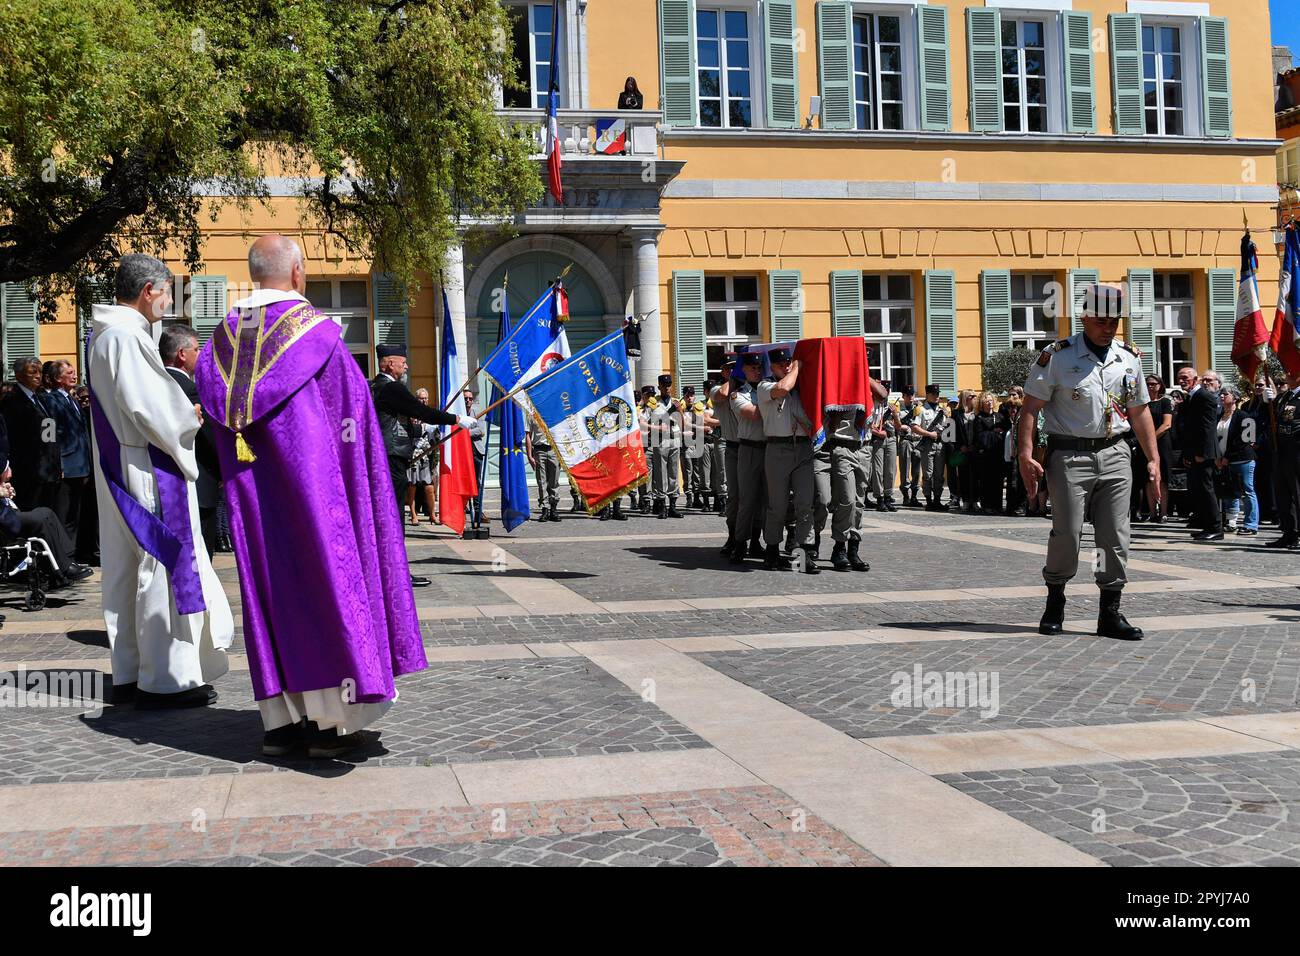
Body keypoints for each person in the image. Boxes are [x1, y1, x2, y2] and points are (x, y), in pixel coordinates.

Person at [195, 234, 431, 758]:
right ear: (298, 274)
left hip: (253, 500)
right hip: (319, 500)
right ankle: (330, 724)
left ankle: (281, 724)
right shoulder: (319, 338)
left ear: (253, 274)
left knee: (271, 591)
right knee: (325, 584)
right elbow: (354, 428)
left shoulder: (217, 348)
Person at [89, 254, 233, 709]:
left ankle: (131, 672)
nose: (169, 303)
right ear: (149, 289)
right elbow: (151, 410)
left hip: (120, 463)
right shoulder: (127, 336)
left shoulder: (104, 334)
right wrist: (188, 418)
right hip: (146, 465)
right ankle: (165, 679)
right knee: (162, 563)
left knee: (127, 572)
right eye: (168, 292)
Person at [1018, 283, 1158, 641]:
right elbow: (1031, 409)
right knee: (1067, 532)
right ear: (1084, 317)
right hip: (1069, 455)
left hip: (1115, 452)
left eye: (1114, 320)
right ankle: (1056, 598)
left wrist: (1154, 459)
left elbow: (1139, 412)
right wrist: (1025, 454)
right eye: (1101, 319)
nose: (1108, 326)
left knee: (1113, 536)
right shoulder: (1058, 357)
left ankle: (1109, 611)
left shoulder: (1128, 358)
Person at [371, 343, 474, 576]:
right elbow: (421, 410)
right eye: (402, 362)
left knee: (391, 512)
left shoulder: (378, 387)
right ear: (388, 363)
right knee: (395, 514)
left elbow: (401, 420)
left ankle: (390, 570)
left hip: (388, 455)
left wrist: (420, 430)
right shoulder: (391, 388)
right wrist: (457, 418)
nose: (406, 366)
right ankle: (397, 573)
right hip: (392, 457)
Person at [159, 325, 223, 557]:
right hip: (198, 482)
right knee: (200, 555)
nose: (201, 354)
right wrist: (222, 470)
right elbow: (208, 439)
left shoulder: (156, 386)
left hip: (164, 483)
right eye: (197, 349)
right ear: (182, 354)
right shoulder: (190, 390)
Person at [756, 349, 817, 573]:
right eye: (780, 364)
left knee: (804, 504)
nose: (786, 366)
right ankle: (772, 550)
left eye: (788, 362)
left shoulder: (801, 389)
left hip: (802, 448)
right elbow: (783, 388)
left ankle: (803, 555)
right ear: (771, 367)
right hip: (777, 448)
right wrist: (798, 367)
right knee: (777, 505)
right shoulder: (765, 386)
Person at [0, 463, 93, 587]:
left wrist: (6, 493)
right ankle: (64, 568)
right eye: (7, 469)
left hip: (9, 515)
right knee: (42, 517)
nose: (10, 473)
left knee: (47, 512)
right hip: (5, 521)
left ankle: (67, 561)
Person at [38, 359, 92, 539]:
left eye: (74, 372)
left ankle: (71, 554)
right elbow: (48, 436)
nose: (74, 375)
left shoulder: (73, 400)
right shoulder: (49, 400)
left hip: (79, 466)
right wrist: (55, 463)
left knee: (74, 515)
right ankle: (63, 556)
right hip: (64, 467)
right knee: (62, 513)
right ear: (57, 378)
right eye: (69, 373)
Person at [2, 357, 62, 512]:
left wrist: (55, 464)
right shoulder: (11, 401)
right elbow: (13, 440)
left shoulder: (41, 399)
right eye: (33, 372)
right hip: (28, 475)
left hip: (48, 472)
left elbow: (49, 435)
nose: (38, 375)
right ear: (19, 375)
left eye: (40, 372)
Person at [728, 354, 769, 563]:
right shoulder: (737, 395)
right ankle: (740, 542)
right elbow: (752, 413)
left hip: (768, 448)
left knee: (765, 499)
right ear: (743, 370)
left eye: (759, 367)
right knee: (747, 499)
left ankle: (756, 541)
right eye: (752, 368)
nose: (757, 371)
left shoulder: (767, 389)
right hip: (749, 448)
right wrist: (772, 397)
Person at [1175, 367, 1224, 540]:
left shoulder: (1204, 396)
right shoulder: (1191, 397)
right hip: (1195, 451)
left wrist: (1201, 452)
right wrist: (1188, 453)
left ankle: (1216, 527)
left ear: (1195, 379)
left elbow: (1206, 427)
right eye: (1180, 378)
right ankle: (1206, 525)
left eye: (1186, 378)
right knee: (1199, 490)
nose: (1182, 381)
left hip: (1204, 452)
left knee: (1207, 489)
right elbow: (1190, 428)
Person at [1216, 386, 1258, 536]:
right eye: (1221, 394)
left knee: (1247, 490)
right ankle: (1231, 521)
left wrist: (1227, 456)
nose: (1222, 396)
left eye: (1225, 394)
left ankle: (1251, 524)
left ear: (1234, 397)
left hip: (1243, 459)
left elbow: (1244, 440)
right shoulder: (1219, 416)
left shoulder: (1244, 416)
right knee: (1230, 491)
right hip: (1224, 460)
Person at [1268, 372, 1300, 550]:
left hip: (1297, 451)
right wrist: (1269, 403)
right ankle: (1289, 533)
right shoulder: (1285, 396)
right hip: (1281, 451)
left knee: (1298, 494)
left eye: (1292, 371)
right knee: (1283, 495)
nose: (1288, 374)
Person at [648, 374, 683, 518]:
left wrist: (679, 410)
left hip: (674, 439)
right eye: (664, 385)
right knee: (661, 473)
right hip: (660, 440)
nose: (667, 388)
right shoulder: (653, 403)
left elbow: (682, 422)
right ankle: (662, 506)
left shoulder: (676, 402)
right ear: (659, 387)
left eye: (669, 385)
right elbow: (647, 423)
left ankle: (673, 505)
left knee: (673, 472)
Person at [405, 388, 439, 525]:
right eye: (421, 398)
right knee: (412, 487)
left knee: (429, 487)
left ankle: (432, 514)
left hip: (426, 455)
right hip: (413, 454)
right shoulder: (411, 412)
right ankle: (413, 514)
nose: (424, 400)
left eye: (426, 398)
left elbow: (435, 434)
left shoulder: (429, 414)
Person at [1143, 375, 1174, 523]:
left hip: (1161, 443)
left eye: (1153, 384)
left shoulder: (1165, 402)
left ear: (1160, 385)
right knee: (1148, 479)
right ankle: (1152, 512)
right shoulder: (1142, 403)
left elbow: (1167, 424)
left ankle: (1163, 512)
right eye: (1148, 384)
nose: (1150, 386)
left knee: (1162, 479)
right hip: (1145, 444)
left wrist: (1151, 439)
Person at [914, 384, 947, 511]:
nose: (936, 396)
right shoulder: (921, 410)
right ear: (927, 395)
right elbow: (914, 427)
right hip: (927, 444)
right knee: (928, 474)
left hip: (940, 444)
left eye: (937, 394)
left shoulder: (943, 410)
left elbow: (948, 427)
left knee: (939, 474)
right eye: (933, 394)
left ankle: (937, 500)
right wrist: (929, 434)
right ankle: (929, 500)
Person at [970, 391, 1005, 514]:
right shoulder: (979, 418)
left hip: (998, 454)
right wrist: (995, 432)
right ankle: (987, 505)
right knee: (986, 481)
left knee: (998, 481)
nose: (989, 402)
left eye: (991, 400)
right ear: (982, 403)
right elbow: (979, 436)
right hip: (986, 455)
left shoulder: (999, 416)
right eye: (986, 401)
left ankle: (998, 505)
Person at [525, 411, 561, 521]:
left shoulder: (554, 410)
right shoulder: (530, 413)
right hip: (539, 450)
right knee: (542, 482)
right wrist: (529, 455)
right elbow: (528, 435)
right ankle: (545, 509)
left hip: (553, 450)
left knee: (554, 481)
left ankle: (553, 509)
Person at [869, 396, 899, 512]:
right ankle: (879, 499)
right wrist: (878, 432)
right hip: (878, 440)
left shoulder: (892, 407)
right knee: (878, 471)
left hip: (891, 439)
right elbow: (867, 424)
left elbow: (899, 426)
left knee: (891, 470)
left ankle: (888, 497)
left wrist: (895, 415)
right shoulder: (872, 407)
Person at [895, 385, 922, 506]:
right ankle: (906, 495)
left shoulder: (920, 410)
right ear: (903, 397)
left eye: (912, 395)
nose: (910, 398)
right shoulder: (899, 411)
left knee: (916, 470)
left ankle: (914, 495)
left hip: (917, 440)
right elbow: (897, 426)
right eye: (908, 396)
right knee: (905, 468)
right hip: (905, 440)